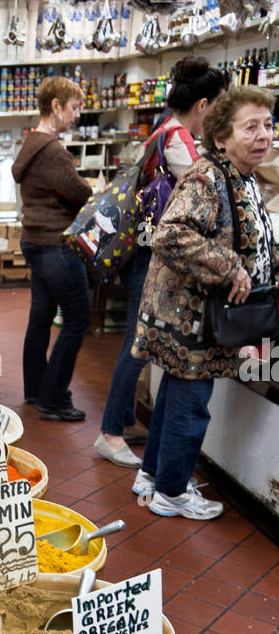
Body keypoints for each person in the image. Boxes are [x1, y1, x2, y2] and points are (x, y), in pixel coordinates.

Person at [130, 86, 277, 520]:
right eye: (250, 127)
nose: (263, 136)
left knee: (177, 396)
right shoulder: (208, 177)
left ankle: (155, 476)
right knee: (191, 405)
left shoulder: (239, 176)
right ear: (220, 136)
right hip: (191, 316)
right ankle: (172, 493)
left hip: (189, 313)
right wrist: (231, 267)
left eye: (268, 125)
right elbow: (170, 235)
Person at [95, 57, 228, 466]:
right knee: (137, 347)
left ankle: (122, 420)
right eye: (219, 106)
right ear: (204, 104)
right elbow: (206, 196)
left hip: (143, 252)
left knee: (137, 344)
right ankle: (109, 434)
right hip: (147, 258)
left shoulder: (166, 131)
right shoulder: (178, 140)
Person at [13, 75, 93, 421]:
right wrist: (88, 185)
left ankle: (35, 389)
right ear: (56, 107)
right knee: (77, 319)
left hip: (34, 240)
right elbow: (80, 192)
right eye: (74, 107)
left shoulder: (31, 143)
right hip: (55, 245)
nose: (76, 115)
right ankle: (54, 397)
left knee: (41, 317)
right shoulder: (54, 151)